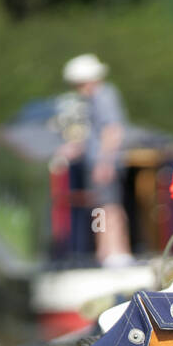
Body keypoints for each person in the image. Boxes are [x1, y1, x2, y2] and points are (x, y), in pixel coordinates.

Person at [61, 54, 133, 266]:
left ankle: (117, 252)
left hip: (104, 164)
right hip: (99, 162)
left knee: (109, 207)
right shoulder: (95, 98)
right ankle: (106, 251)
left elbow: (112, 131)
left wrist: (105, 162)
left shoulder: (103, 96)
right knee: (103, 207)